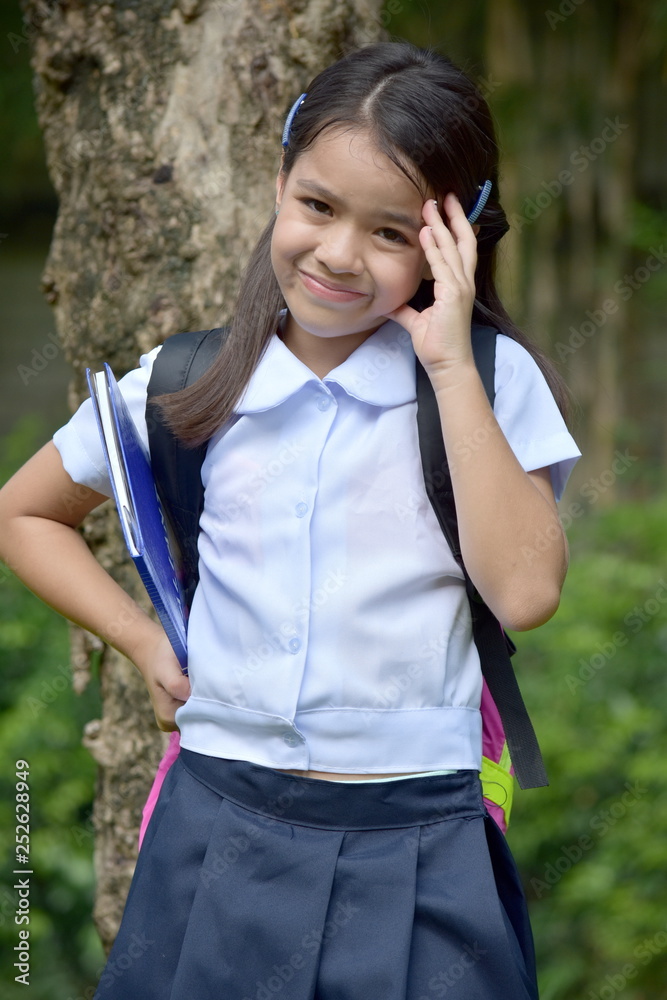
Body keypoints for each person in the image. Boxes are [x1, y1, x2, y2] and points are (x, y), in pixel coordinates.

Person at [0, 42, 580, 1000]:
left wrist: (448, 365)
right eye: (316, 205)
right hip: (215, 826)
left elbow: (525, 593)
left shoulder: (483, 386)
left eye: (393, 232)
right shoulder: (190, 384)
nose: (340, 254)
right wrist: (145, 644)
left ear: (454, 239)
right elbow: (24, 513)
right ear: (278, 183)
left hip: (421, 835)